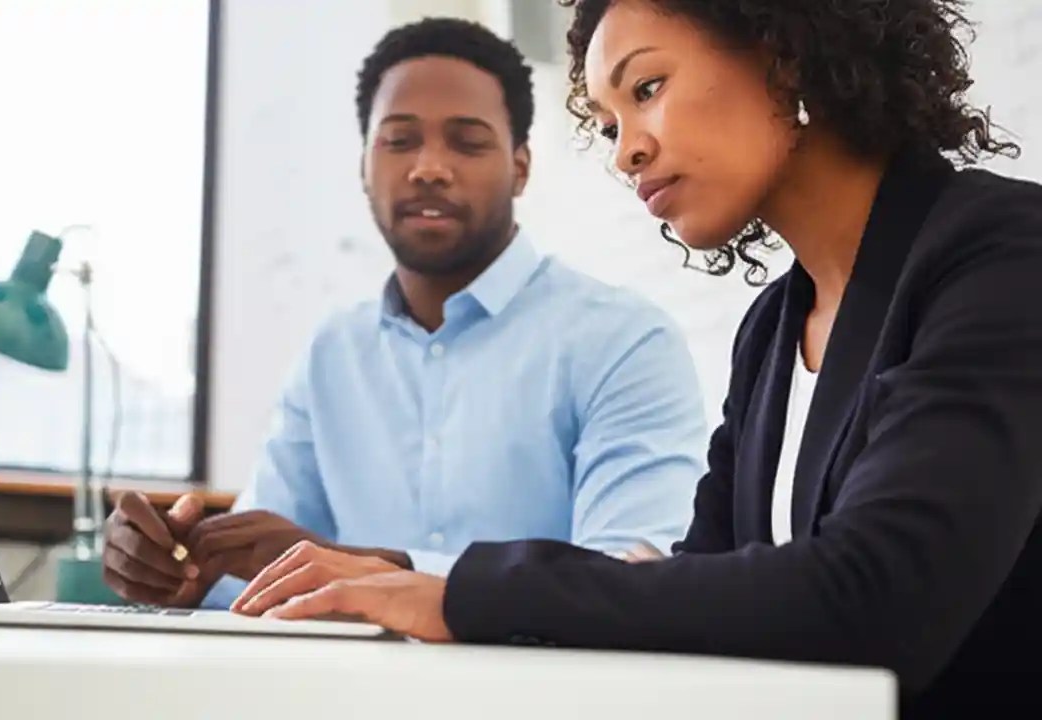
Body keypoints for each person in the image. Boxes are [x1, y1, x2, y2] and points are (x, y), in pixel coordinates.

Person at [234, 1, 1042, 714]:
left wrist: (466, 596)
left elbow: (879, 596)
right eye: (612, 123)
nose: (625, 153)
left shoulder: (1002, 255)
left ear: (782, 48)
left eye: (647, 90)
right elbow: (695, 594)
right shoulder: (772, 329)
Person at [101, 17, 707, 610]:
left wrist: (375, 571)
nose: (429, 168)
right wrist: (186, 576)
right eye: (398, 140)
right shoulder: (332, 355)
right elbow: (259, 574)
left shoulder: (623, 342)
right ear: (363, 165)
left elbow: (627, 582)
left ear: (521, 167)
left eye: (468, 142)